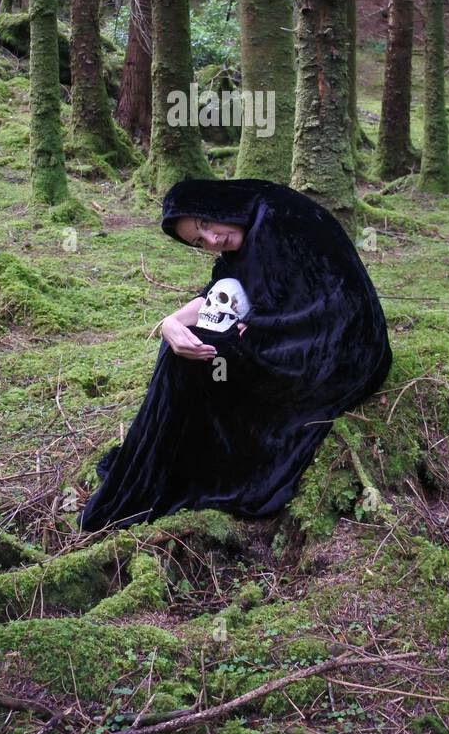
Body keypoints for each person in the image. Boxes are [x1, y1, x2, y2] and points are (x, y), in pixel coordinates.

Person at [77, 178, 392, 533]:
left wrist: (261, 328)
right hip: (307, 343)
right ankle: (154, 469)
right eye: (199, 241)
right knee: (186, 347)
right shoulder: (247, 223)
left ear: (217, 205)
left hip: (342, 357)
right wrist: (171, 322)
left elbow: (328, 306)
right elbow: (221, 291)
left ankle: (167, 477)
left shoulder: (275, 218)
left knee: (205, 359)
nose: (212, 240)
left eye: (206, 225)